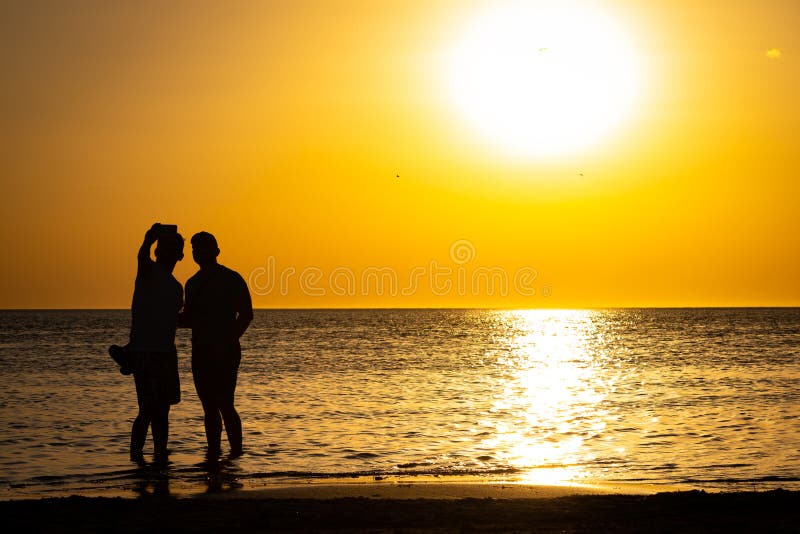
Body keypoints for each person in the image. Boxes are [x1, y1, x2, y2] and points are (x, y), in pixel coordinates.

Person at [109, 223, 184, 463]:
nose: (166, 253)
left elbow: (172, 319)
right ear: (157, 252)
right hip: (146, 352)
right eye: (163, 248)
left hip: (165, 353)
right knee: (148, 410)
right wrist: (148, 238)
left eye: (171, 249)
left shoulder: (176, 287)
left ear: (179, 256)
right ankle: (137, 458)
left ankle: (161, 454)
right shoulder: (148, 271)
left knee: (162, 411)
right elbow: (141, 256)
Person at [179, 231, 253, 459]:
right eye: (195, 249)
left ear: (216, 252)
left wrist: (229, 340)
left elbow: (246, 314)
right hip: (201, 350)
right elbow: (189, 319)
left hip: (225, 351)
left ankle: (235, 455)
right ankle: (213, 455)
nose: (199, 252)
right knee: (209, 407)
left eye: (203, 248)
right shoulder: (191, 284)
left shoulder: (231, 278)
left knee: (225, 404)